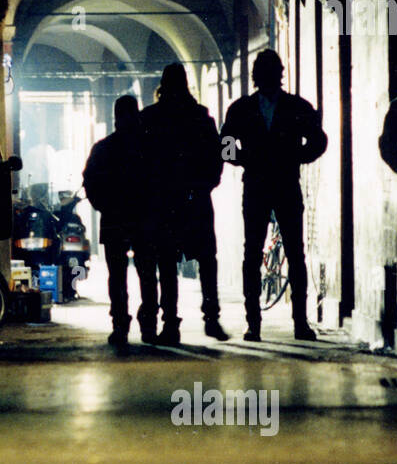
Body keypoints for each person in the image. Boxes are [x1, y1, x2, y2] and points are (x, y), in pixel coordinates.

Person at [219, 49, 327, 342]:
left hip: (267, 184)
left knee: (277, 253)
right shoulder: (294, 106)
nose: (268, 78)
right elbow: (226, 146)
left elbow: (318, 140)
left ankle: (284, 323)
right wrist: (294, 157)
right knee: (274, 253)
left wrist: (248, 159)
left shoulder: (242, 108)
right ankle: (264, 323)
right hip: (274, 184)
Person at [140, 63, 228, 342]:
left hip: (163, 201)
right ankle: (211, 318)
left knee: (166, 264)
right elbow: (217, 157)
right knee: (206, 260)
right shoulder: (201, 117)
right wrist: (204, 186)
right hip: (196, 200)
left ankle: (170, 324)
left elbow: (141, 161)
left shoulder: (150, 118)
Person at [82, 95, 157, 346]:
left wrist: (104, 207)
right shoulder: (148, 147)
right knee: (147, 273)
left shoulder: (104, 148)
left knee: (117, 276)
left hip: (114, 219)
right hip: (144, 218)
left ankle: (120, 325)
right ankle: (148, 325)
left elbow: (90, 182)